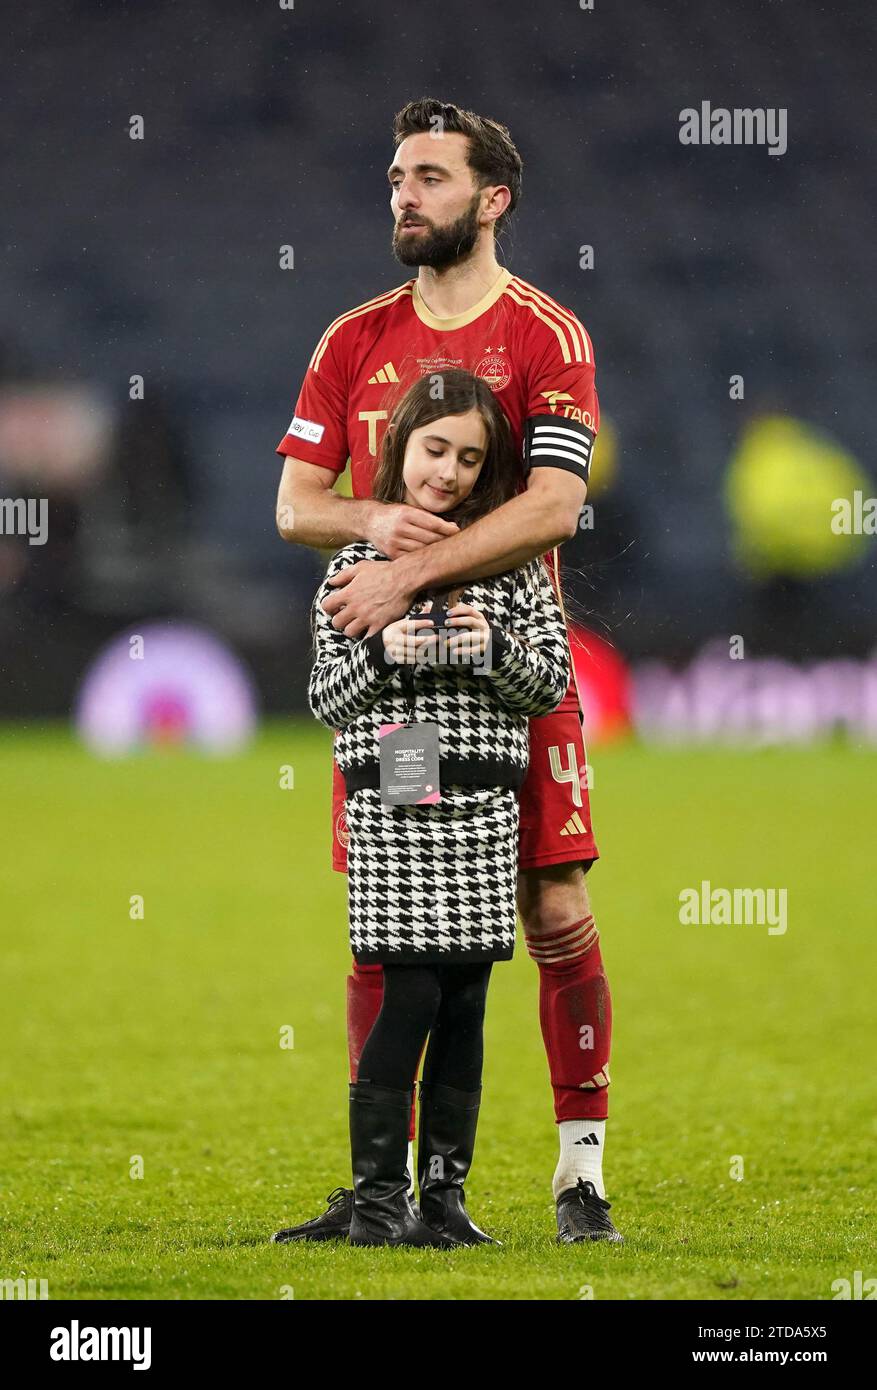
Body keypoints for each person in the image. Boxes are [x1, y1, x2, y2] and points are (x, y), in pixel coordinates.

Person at [274, 97, 623, 1245]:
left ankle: (579, 1172)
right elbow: (296, 508)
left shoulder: (545, 336)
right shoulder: (350, 339)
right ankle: (391, 1191)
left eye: (428, 176)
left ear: (492, 197)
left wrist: (408, 579)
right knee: (396, 925)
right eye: (394, 177)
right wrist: (378, 533)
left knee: (551, 906)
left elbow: (557, 505)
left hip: (514, 672)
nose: (404, 195)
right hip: (401, 701)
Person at [306, 370, 572, 1246]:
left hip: (486, 794)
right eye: (434, 450)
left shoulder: (512, 561)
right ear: (400, 446)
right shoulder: (354, 563)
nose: (448, 473)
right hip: (400, 779)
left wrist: (489, 648)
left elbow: (549, 686)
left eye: (469, 458)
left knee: (466, 1000)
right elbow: (328, 699)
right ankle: (379, 1203)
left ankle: (443, 1206)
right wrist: (385, 655)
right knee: (411, 992)